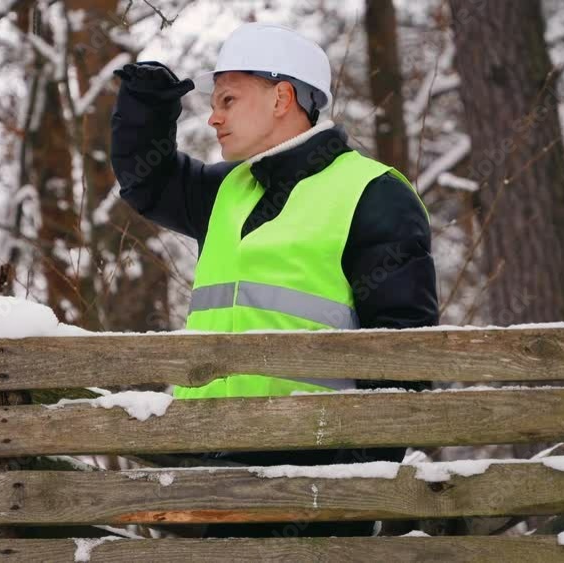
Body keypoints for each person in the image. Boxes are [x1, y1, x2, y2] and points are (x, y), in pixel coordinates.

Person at [110, 22, 438, 538]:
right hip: (206, 468)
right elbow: (148, 182)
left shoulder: (372, 192)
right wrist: (146, 104)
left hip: (313, 475)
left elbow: (403, 353)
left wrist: (354, 484)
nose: (213, 117)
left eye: (228, 99)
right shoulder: (226, 191)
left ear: (283, 97)